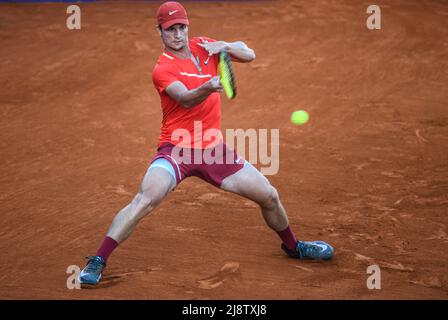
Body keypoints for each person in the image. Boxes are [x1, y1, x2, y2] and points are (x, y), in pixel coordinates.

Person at [79, 1, 333, 286]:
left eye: (181, 28)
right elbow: (186, 98)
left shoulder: (205, 45)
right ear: (160, 32)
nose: (177, 34)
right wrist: (208, 86)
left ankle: (293, 246)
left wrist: (224, 44)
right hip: (177, 149)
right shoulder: (162, 68)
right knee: (144, 200)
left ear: (188, 27)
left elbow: (248, 54)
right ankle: (97, 260)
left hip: (213, 150)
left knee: (269, 195)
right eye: (170, 29)